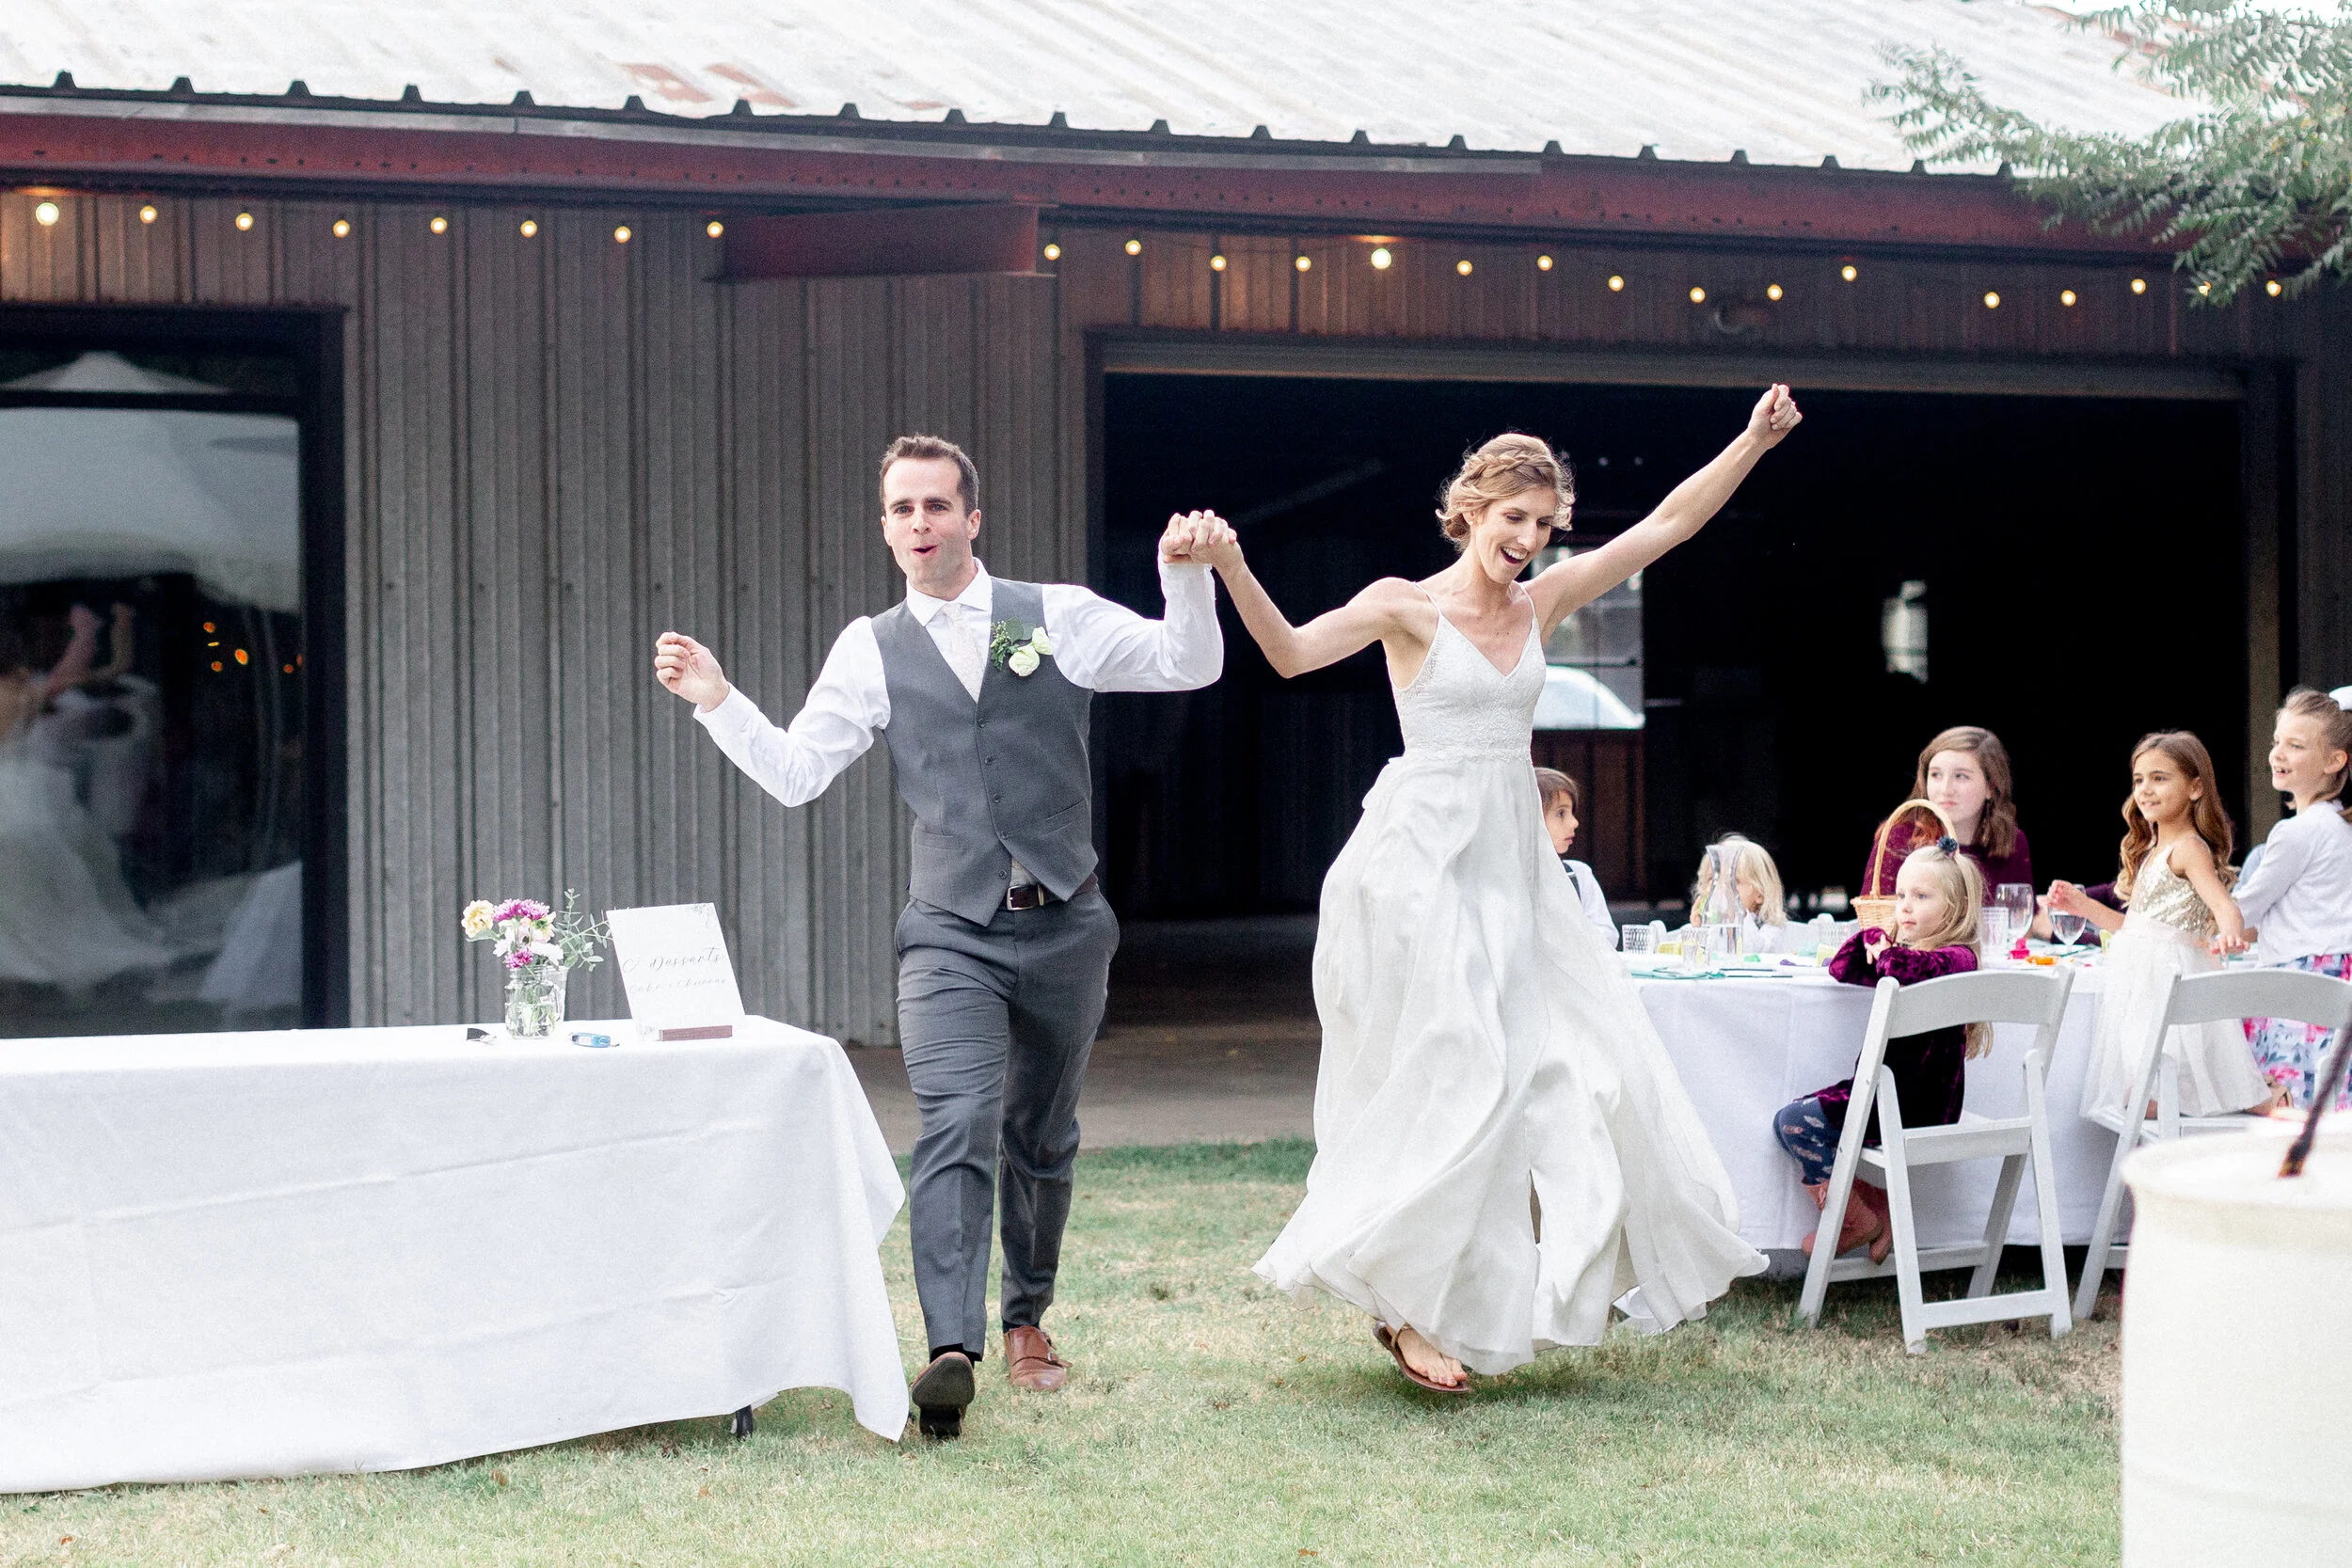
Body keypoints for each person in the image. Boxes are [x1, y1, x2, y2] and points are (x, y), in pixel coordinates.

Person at [1202, 387, 1801, 1392]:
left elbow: (1668, 523)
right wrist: (1230, 564)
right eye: (1510, 518)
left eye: (1541, 523)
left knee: (1571, 1074)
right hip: (1418, 863)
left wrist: (1750, 441)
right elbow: (1292, 653)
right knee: (1455, 1076)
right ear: (1468, 509)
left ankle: (1503, 1286)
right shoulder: (1405, 602)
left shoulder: (1543, 601)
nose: (1525, 538)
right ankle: (1408, 1311)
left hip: (1511, 868)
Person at [653, 435, 1228, 1438]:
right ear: (885, 527)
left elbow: (1190, 662)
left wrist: (1185, 580)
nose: (918, 523)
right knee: (955, 1121)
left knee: (1040, 1134)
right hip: (948, 931)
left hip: (1067, 923)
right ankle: (948, 1350)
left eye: (935, 505)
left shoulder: (1056, 615)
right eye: (900, 509)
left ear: (972, 518)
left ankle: (1026, 1320)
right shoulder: (869, 646)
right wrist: (720, 703)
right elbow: (796, 772)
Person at [1774, 840, 1985, 1262]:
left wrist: (1888, 949)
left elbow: (1909, 970)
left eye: (1921, 897)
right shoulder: (1905, 954)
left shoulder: (1957, 958)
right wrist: (1875, 935)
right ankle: (1880, 1213)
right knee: (1804, 1110)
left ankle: (1856, 1220)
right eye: (1901, 895)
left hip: (1912, 1103)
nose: (1905, 906)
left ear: (1956, 908)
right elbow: (1842, 966)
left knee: (1794, 1122)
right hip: (1891, 1096)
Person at [2051, 733, 2268, 1119]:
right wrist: (2082, 906)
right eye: (2138, 780)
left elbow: (2223, 905)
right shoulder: (2151, 850)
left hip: (2168, 977)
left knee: (2160, 1092)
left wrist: (2229, 933)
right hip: (2137, 982)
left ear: (2196, 787)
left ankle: (2261, 1104)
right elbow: (2136, 929)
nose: (2145, 790)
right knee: (2140, 1095)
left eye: (2159, 778)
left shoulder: (2189, 848)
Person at [2232, 689, 2352, 1111]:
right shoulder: (2340, 827)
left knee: (2290, 1115)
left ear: (2334, 761)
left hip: (2298, 988)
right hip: (2339, 980)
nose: (2277, 753)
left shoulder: (2296, 832)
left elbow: (2241, 914)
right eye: (2277, 742)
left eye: (2295, 746)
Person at [1861, 726, 2032, 899]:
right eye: (1936, 775)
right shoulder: (1901, 837)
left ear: (1991, 787)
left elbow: (2022, 917)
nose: (1945, 789)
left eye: (1961, 776)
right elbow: (1874, 919)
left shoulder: (2013, 842)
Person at [1534, 767, 1615, 948]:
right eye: (1561, 813)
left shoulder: (1578, 874)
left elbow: (1608, 934)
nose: (1574, 822)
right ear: (1533, 819)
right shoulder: (1512, 880)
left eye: (1572, 813)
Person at [1692, 833, 1793, 954]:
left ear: (1760, 894)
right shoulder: (1708, 929)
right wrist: (1698, 931)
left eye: (1734, 882)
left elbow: (1749, 954)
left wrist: (1735, 920)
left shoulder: (1770, 933)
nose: (1721, 888)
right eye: (1713, 880)